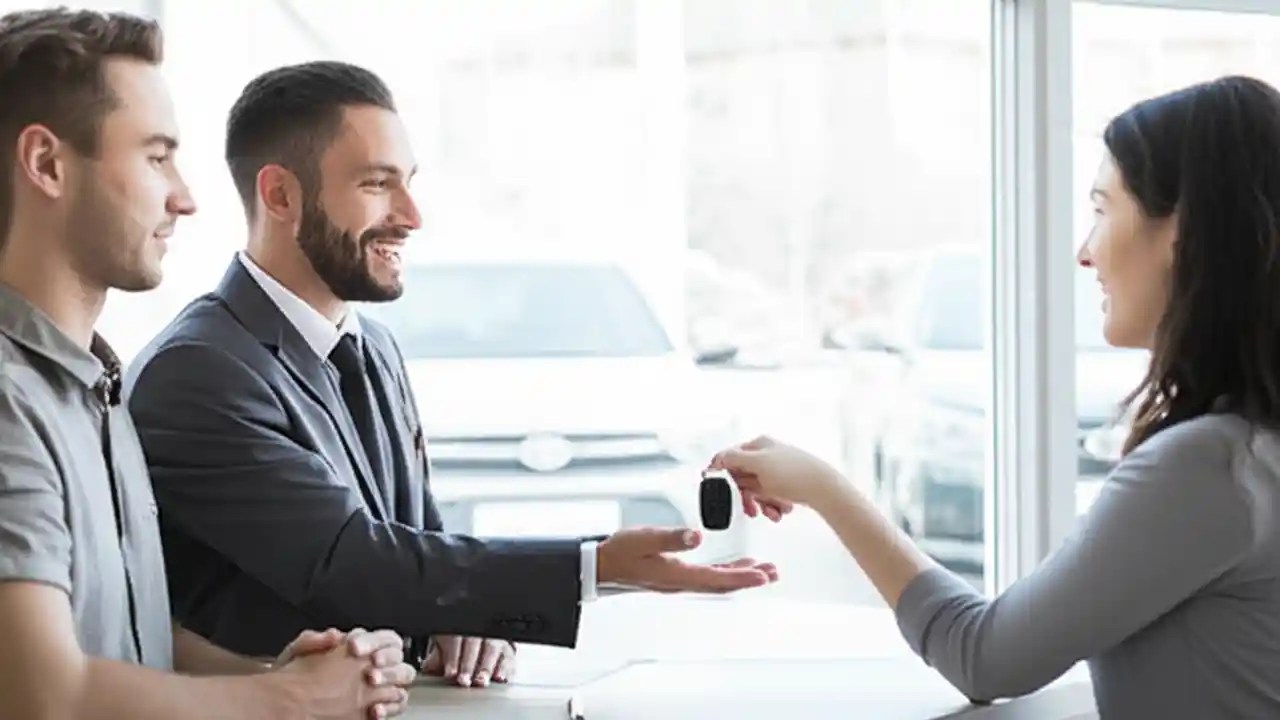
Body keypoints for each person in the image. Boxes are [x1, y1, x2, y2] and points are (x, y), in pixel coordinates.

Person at [124, 59, 782, 689]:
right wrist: (595, 565)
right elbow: (347, 563)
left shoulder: (373, 347)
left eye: (408, 182)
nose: (411, 216)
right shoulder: (199, 372)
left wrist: (465, 618)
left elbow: (420, 546)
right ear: (281, 195)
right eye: (377, 184)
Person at [710, 75, 1280, 719]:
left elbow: (986, 656)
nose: (1084, 252)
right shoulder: (1250, 451)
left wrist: (824, 488)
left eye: (1102, 210)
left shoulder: (1208, 469)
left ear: (1181, 232)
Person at [0, 9, 420, 720]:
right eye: (156, 157)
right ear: (46, 164)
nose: (185, 197)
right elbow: (42, 692)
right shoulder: (11, 403)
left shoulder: (92, 387)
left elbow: (127, 632)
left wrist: (270, 672)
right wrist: (287, 698)